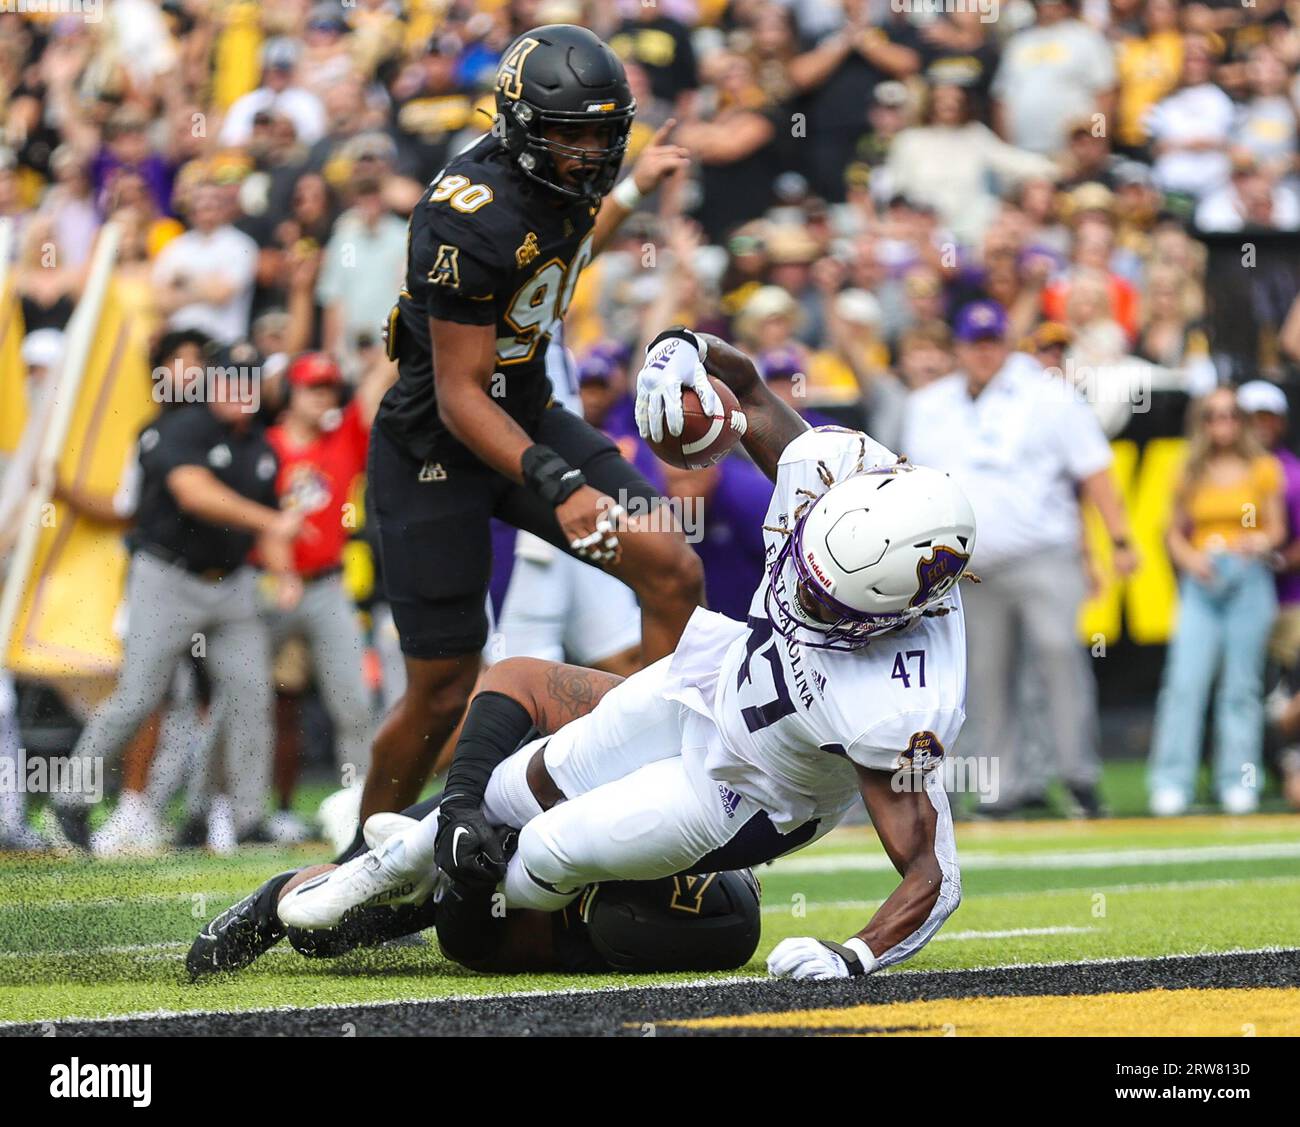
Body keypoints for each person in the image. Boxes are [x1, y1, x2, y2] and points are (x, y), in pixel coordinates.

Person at [280, 329, 973, 982]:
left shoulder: (905, 697)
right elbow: (752, 390)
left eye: (833, 605)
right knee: (532, 774)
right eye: (809, 573)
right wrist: (684, 347)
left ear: (898, 612)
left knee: (554, 846)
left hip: (748, 789)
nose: (808, 600)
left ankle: (426, 900)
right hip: (711, 675)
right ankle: (394, 859)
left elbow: (932, 870)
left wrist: (855, 954)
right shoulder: (838, 472)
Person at [359, 25, 703, 830]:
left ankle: (647, 789)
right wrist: (557, 482)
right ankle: (360, 857)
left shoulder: (558, 185)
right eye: (569, 133)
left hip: (522, 408)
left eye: (600, 132)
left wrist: (633, 193)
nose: (587, 152)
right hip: (436, 445)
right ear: (520, 128)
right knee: (444, 687)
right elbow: (457, 394)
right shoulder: (464, 216)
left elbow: (559, 259)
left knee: (671, 569)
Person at [50, 366, 302, 852]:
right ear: (210, 386)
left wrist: (285, 572)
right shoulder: (177, 426)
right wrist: (273, 522)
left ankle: (249, 821)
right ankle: (71, 800)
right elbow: (196, 494)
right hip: (167, 577)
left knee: (251, 696)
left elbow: (273, 535)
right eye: (230, 380)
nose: (239, 391)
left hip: (231, 584)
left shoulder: (261, 447)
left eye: (248, 381)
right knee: (140, 696)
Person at [901, 301, 1136, 818]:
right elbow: (913, 485)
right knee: (984, 676)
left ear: (1004, 344)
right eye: (973, 343)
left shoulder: (1047, 394)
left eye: (991, 342)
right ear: (958, 348)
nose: (983, 353)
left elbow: (1094, 468)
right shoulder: (929, 405)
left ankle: (1079, 777)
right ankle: (1000, 791)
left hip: (1043, 552)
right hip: (966, 566)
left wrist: (1119, 539)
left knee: (1059, 655)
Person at [188, 803, 762, 978]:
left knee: (319, 939)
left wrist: (465, 882)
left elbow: (472, 947)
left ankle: (354, 880)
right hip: (493, 807)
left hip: (483, 880)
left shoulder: (581, 934)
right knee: (315, 920)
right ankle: (282, 896)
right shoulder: (668, 826)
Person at [260, 352, 393, 826]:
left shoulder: (343, 440)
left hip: (328, 585)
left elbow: (377, 384)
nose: (324, 397)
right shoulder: (265, 445)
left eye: (330, 388)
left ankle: (361, 806)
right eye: (313, 388)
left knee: (354, 701)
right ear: (289, 396)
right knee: (261, 703)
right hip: (268, 586)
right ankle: (248, 812)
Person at [1148, 386, 1285, 816]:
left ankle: (1238, 779)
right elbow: (1172, 532)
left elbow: (1278, 529)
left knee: (1241, 686)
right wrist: (1191, 560)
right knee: (1185, 682)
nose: (1221, 423)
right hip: (1202, 577)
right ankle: (1172, 780)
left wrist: (1255, 540)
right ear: (1201, 421)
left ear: (1241, 421)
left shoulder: (1262, 468)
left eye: (1229, 415)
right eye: (1212, 415)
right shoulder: (1188, 469)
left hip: (1247, 576)